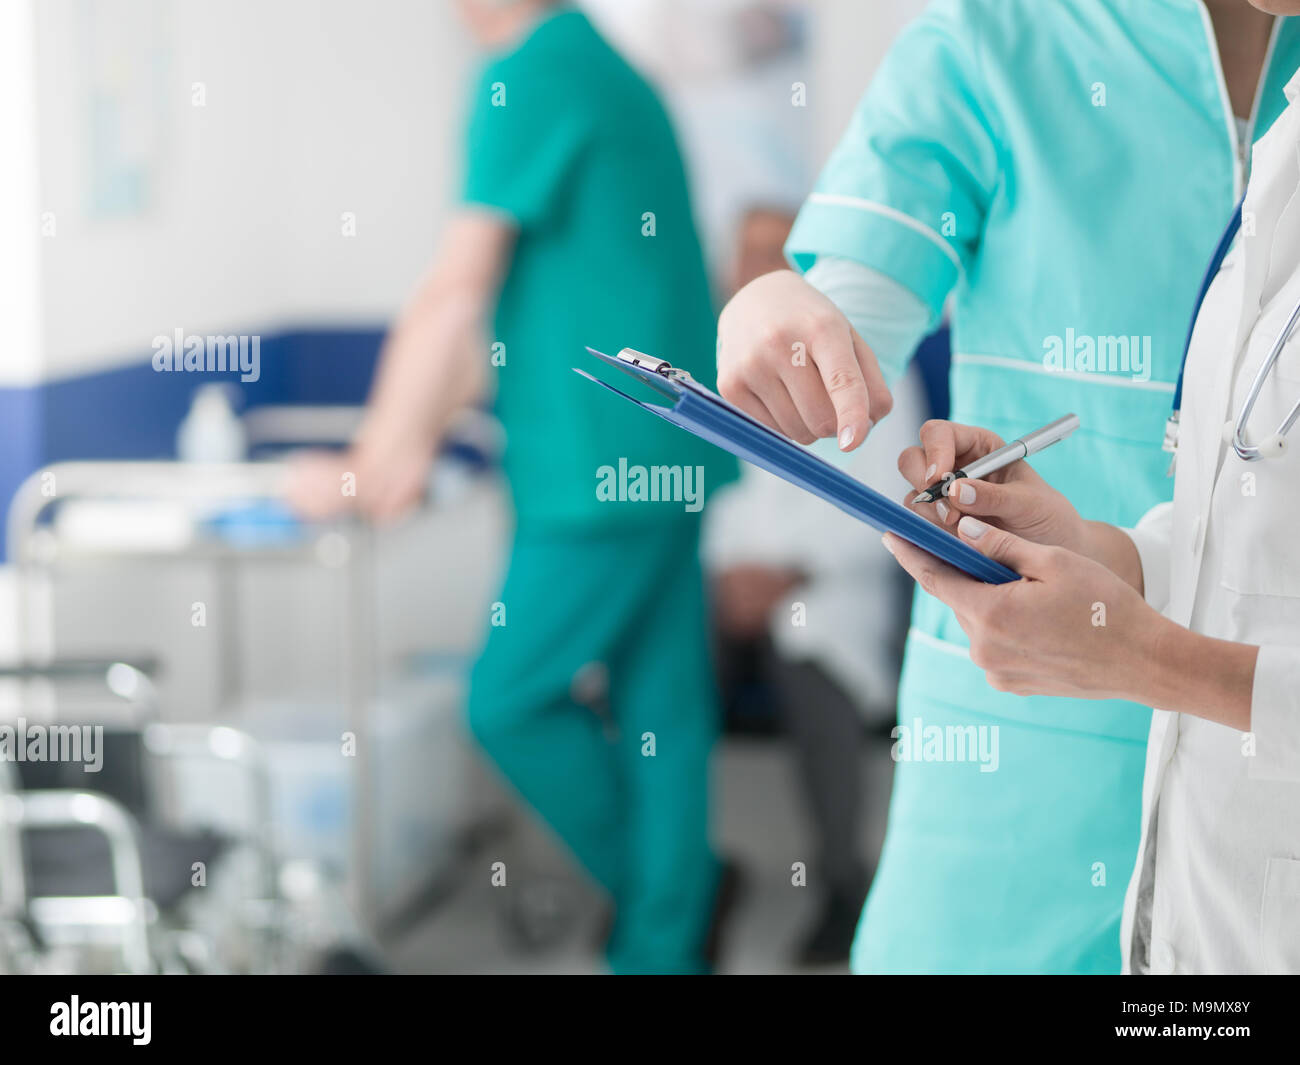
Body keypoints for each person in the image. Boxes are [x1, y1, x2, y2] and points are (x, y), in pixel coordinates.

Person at [715, 0, 1300, 973]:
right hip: (1022, 704)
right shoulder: (991, 39)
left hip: (1253, 718)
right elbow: (830, 352)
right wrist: (773, 304)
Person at [288, 0, 736, 974]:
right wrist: (409, 441)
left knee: (508, 698)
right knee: (662, 708)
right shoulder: (596, 64)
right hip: (660, 447)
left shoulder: (526, 75)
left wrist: (368, 464)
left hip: (599, 468)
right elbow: (510, 307)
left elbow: (456, 289)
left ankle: (673, 898)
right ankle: (670, 926)